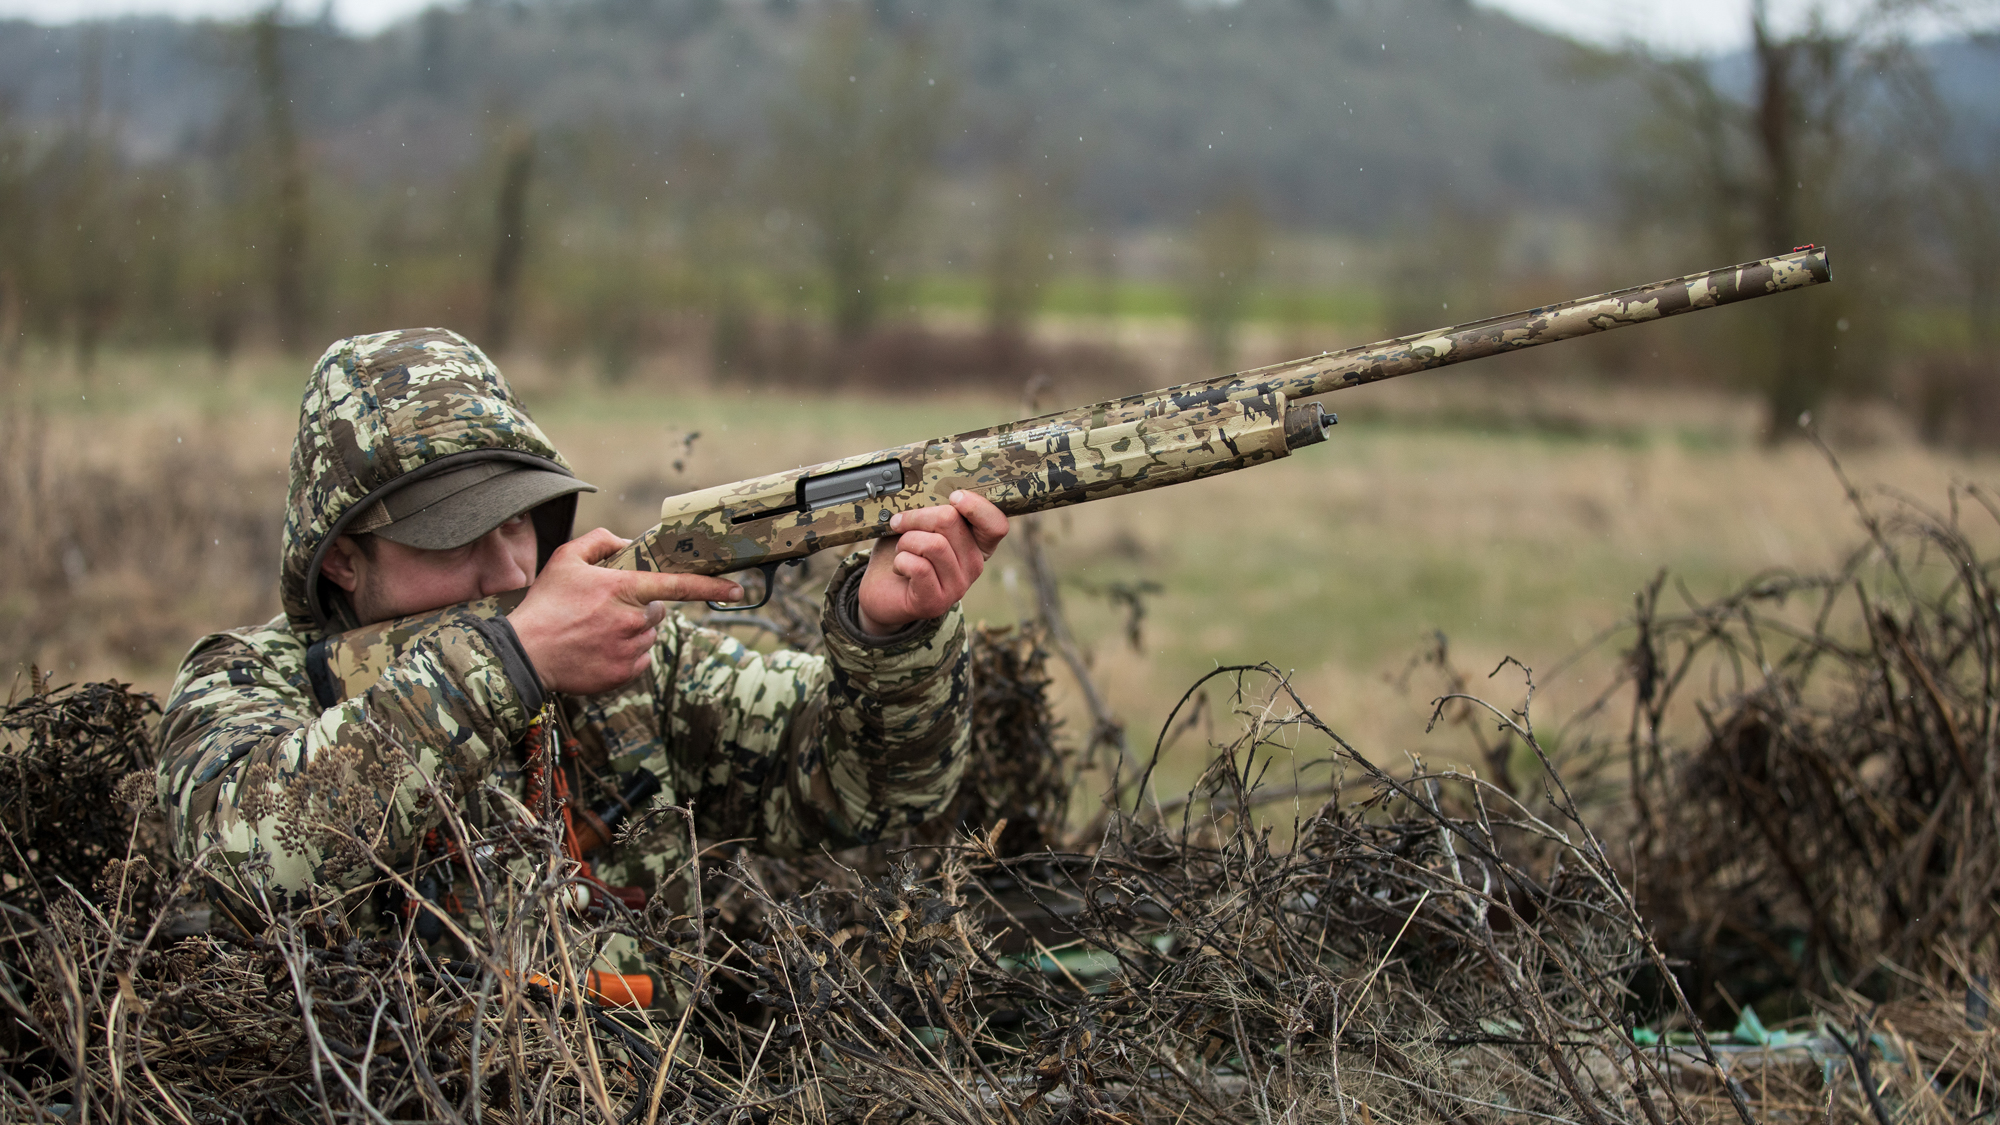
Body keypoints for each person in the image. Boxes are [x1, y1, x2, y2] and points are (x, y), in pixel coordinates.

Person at [155, 327, 1006, 984]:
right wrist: (512, 662)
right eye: (456, 538)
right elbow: (249, 861)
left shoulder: (624, 661)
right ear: (342, 558)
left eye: (518, 522)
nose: (510, 571)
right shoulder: (245, 682)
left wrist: (889, 636)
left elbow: (868, 793)